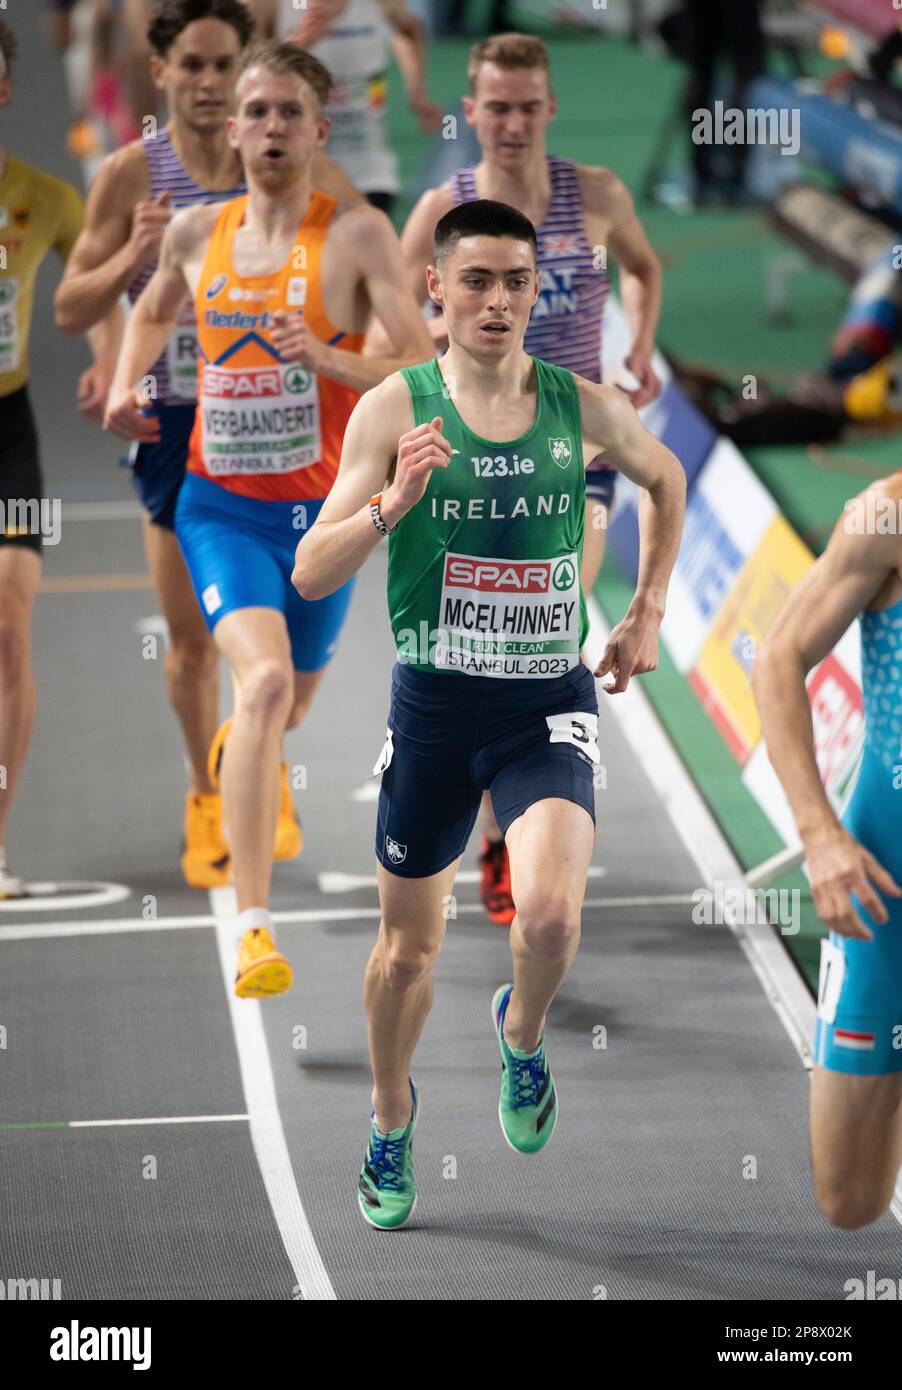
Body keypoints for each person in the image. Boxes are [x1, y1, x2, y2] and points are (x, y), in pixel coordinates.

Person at [293, 198, 685, 1228]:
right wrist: (389, 503)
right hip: (432, 709)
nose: (498, 300)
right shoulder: (394, 410)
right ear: (435, 287)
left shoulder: (579, 403)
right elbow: (307, 566)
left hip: (542, 701)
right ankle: (390, 1114)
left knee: (550, 913)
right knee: (406, 953)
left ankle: (520, 1033)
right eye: (475, 279)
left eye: (517, 280)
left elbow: (663, 474)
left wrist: (644, 608)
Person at [104, 40, 435, 998]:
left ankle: (241, 757)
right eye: (256, 112)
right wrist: (130, 384)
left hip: (326, 517)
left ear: (320, 130)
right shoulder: (193, 233)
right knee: (259, 688)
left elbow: (421, 374)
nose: (270, 128)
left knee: (284, 707)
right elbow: (154, 309)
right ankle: (252, 926)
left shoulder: (359, 234)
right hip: (221, 509)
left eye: (291, 113)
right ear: (232, 127)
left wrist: (329, 359)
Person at [56, 0, 363, 890]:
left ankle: (252, 746)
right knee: (191, 645)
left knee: (281, 684)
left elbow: (361, 279)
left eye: (222, 64)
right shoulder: (131, 176)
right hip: (175, 424)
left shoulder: (306, 169)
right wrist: (125, 288)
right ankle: (206, 795)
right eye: (189, 64)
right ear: (161, 74)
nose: (206, 81)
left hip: (290, 428)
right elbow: (75, 306)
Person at [369, 31, 663, 923]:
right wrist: (425, 381)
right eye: (495, 106)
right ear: (471, 107)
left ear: (550, 108)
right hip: (473, 457)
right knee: (502, 634)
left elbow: (645, 271)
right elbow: (391, 315)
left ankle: (510, 836)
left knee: (550, 612)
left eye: (528, 105)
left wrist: (640, 348)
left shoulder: (597, 195)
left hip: (581, 446)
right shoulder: (441, 206)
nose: (511, 122)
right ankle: (506, 820)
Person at [753, 474, 902, 1229]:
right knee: (850, 1196)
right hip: (887, 879)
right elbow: (776, 659)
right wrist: (820, 837)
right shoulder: (887, 514)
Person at [0, 18, 122, 896]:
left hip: (10, 435)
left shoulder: (41, 196)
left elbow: (99, 286)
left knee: (10, 634)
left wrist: (115, 369)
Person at [247, 0, 442, 216]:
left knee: (369, 241)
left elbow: (410, 30)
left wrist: (417, 92)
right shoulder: (267, 5)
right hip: (297, 167)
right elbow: (244, 77)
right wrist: (296, 45)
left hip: (369, 169)